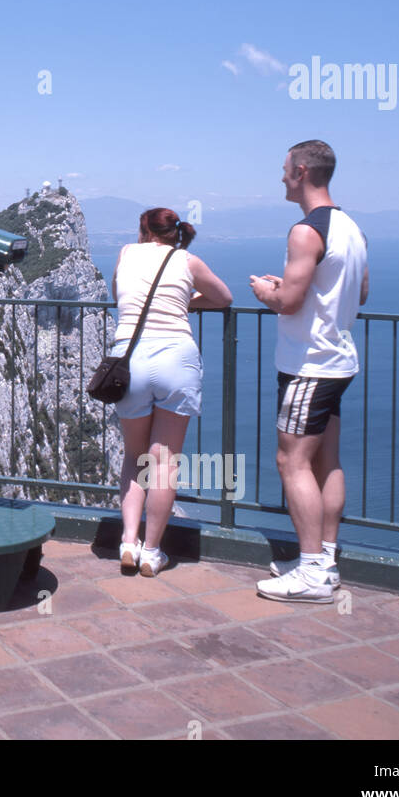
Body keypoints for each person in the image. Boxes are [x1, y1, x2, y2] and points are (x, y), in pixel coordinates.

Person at [250, 140, 369, 603]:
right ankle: (327, 558)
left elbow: (291, 302)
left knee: (291, 460)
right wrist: (295, 290)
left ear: (301, 171)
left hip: (308, 366)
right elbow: (358, 293)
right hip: (339, 361)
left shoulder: (305, 231)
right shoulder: (352, 229)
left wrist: (267, 290)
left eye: (284, 170)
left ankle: (313, 572)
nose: (280, 177)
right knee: (326, 460)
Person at [112, 208, 232, 575]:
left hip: (129, 358)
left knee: (134, 456)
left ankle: (128, 542)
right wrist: (186, 301)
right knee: (163, 463)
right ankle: (152, 551)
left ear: (144, 230)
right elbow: (224, 297)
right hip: (175, 359)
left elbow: (119, 292)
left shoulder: (126, 253)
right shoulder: (188, 261)